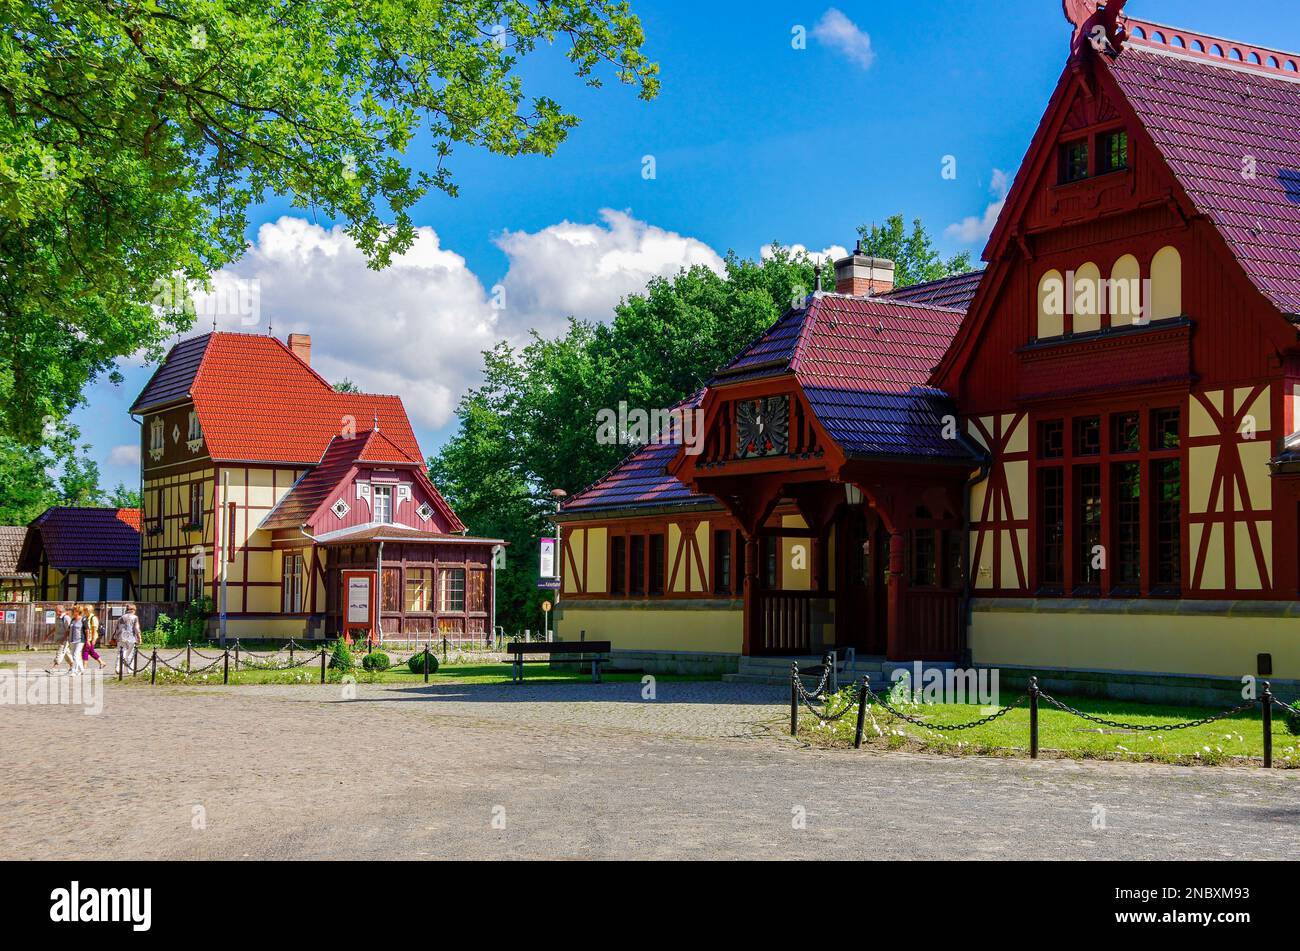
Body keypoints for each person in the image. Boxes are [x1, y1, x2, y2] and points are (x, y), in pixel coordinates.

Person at [116, 604, 141, 676]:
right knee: (130, 654)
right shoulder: (135, 617)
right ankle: (130, 670)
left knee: (120, 653)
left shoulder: (121, 617)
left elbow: (117, 628)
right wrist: (139, 637)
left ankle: (118, 668)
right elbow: (136, 628)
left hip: (121, 637)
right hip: (131, 638)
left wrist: (116, 637)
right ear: (133, 610)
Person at [48, 605, 73, 671]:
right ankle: (73, 665)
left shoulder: (66, 618)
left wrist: (64, 639)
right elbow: (55, 628)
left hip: (65, 639)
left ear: (60, 611)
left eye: (55, 610)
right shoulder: (58, 618)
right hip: (59, 638)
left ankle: (53, 668)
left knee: (60, 652)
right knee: (66, 653)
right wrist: (48, 634)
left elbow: (69, 630)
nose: (55, 612)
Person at [81, 605, 105, 671]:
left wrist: (94, 639)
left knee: (85, 651)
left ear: (89, 610)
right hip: (87, 637)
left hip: (91, 638)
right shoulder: (85, 617)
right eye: (84, 610)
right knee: (91, 651)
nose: (84, 611)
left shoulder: (93, 618)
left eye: (85, 610)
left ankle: (84, 667)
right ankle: (102, 662)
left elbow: (94, 629)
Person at [68, 607, 85, 675]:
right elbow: (69, 629)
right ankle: (82, 669)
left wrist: (88, 640)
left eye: (74, 611)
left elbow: (87, 630)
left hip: (80, 640)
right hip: (72, 640)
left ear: (78, 612)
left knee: (75, 655)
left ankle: (74, 671)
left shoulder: (83, 620)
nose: (72, 612)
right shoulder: (72, 620)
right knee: (75, 656)